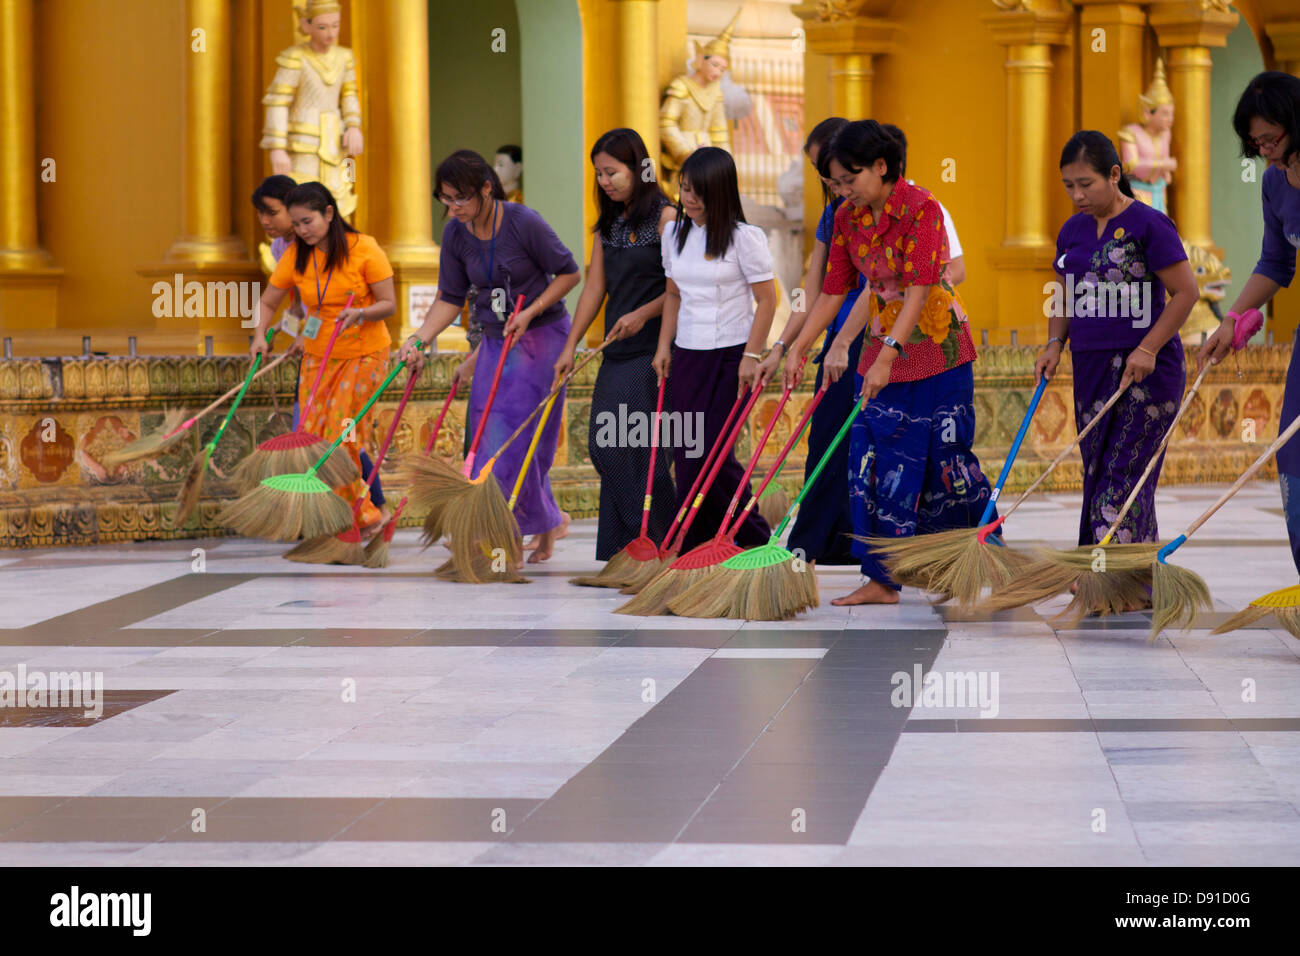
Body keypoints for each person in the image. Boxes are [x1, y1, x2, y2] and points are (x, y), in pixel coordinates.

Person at [783, 120, 993, 606]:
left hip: (939, 351)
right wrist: (799, 346)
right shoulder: (845, 217)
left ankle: (973, 556)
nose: (841, 191)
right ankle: (881, 578)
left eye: (848, 179)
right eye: (833, 183)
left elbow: (920, 289)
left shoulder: (923, 208)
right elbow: (836, 289)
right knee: (873, 461)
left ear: (881, 166)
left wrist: (887, 357)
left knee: (948, 461)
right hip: (883, 345)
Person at [398, 150, 580, 563]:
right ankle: (546, 522)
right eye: (445, 199)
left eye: (460, 198)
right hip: (495, 341)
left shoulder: (523, 221)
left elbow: (570, 272)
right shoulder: (455, 234)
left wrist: (532, 310)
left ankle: (506, 537)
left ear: (485, 189)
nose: (454, 208)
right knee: (489, 439)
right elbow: (449, 296)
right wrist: (420, 338)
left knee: (515, 437)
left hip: (540, 336)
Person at [1037, 131, 1196, 571]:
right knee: (1097, 471)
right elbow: (1062, 293)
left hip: (1146, 370)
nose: (1077, 195)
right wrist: (1054, 343)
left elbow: (1185, 292)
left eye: (1086, 183)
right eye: (1069, 185)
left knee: (1123, 474)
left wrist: (1147, 348)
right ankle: (1128, 572)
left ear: (1114, 174)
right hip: (1090, 366)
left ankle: (1112, 575)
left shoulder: (1149, 223)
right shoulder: (1072, 231)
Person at [555, 129, 677, 561]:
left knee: (625, 445)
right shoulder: (610, 223)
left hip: (656, 350)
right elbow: (594, 288)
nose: (605, 181)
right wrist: (570, 345)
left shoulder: (666, 218)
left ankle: (659, 541)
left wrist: (643, 313)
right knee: (610, 447)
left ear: (639, 169)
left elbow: (681, 288)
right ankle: (632, 547)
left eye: (613, 172)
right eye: (599, 174)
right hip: (616, 348)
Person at [251, 181, 397, 533]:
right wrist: (258, 335)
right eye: (297, 224)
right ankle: (340, 515)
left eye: (308, 222)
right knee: (313, 436)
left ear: (329, 213)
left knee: (342, 434)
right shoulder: (296, 254)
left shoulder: (365, 249)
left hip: (363, 354)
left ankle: (354, 515)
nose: (301, 231)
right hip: (319, 356)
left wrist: (360, 314)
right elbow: (270, 301)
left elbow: (388, 304)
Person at [1200, 71, 1300, 576]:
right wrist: (1233, 318)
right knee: (1294, 455)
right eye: (1255, 142)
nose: (1262, 151)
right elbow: (1276, 263)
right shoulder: (1273, 183)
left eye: (1270, 139)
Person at [655, 146, 775, 550]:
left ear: (720, 192)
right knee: (688, 454)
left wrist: (752, 356)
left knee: (716, 453)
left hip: (732, 356)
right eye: (685, 189)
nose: (688, 198)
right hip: (688, 354)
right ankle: (701, 548)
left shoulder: (745, 238)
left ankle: (754, 538)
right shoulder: (673, 234)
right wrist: (664, 347)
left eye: (698, 191)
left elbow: (769, 301)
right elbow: (673, 295)